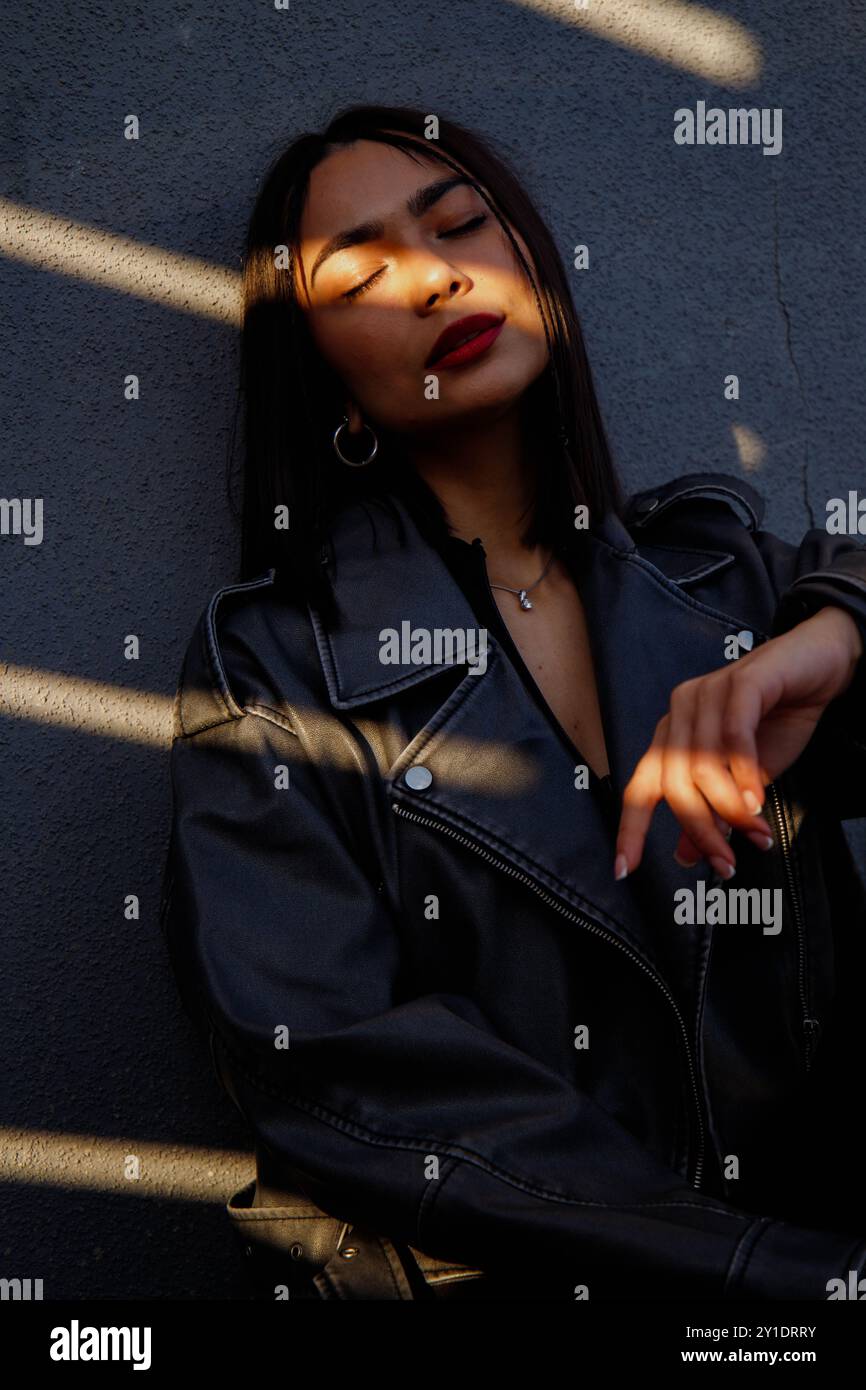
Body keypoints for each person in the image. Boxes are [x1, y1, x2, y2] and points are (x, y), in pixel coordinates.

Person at [160, 104, 866, 1300]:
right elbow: (336, 1069)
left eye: (460, 224)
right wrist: (762, 1271)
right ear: (319, 368)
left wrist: (836, 635)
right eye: (363, 272)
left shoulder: (728, 575)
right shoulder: (275, 672)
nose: (435, 279)